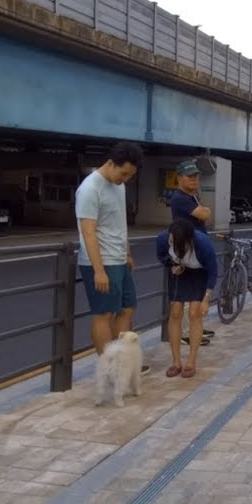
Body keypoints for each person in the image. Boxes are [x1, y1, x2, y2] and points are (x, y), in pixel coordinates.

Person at [76, 141, 149, 374]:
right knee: (103, 314)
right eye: (123, 173)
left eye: (130, 176)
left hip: (119, 259)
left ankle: (122, 359)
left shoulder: (119, 186)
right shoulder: (90, 189)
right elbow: (88, 232)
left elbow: (120, 222)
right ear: (110, 163)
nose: (125, 179)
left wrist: (127, 252)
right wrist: (98, 271)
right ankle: (110, 368)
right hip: (100, 262)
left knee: (128, 308)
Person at [155, 219, 218, 379]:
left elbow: (213, 271)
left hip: (199, 273)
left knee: (194, 312)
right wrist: (172, 265)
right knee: (175, 311)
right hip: (179, 271)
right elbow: (161, 256)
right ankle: (176, 362)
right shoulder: (162, 239)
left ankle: (191, 361)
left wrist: (206, 299)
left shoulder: (202, 243)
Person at [169, 159, 214, 347]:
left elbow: (204, 213)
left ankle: (196, 327)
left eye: (196, 176)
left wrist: (204, 210)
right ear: (179, 178)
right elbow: (204, 214)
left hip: (196, 248)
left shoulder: (192, 197)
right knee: (187, 295)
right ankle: (187, 333)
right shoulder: (180, 198)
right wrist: (204, 210)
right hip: (185, 250)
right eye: (189, 176)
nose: (194, 179)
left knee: (196, 291)